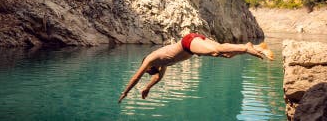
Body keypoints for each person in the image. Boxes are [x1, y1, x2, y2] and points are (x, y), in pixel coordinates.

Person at [117, 33, 274, 102]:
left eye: (149, 72)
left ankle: (246, 47)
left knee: (216, 50)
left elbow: (135, 76)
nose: (152, 72)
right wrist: (148, 88)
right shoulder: (161, 65)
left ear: (149, 67)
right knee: (223, 53)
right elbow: (159, 77)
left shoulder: (151, 59)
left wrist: (126, 92)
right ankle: (258, 47)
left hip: (188, 43)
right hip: (192, 47)